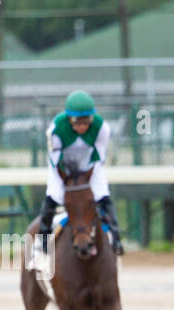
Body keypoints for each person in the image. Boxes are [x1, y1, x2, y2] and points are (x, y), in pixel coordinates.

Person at [32, 90, 124, 266]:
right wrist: (67, 176)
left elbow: (99, 157)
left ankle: (116, 237)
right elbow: (54, 158)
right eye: (77, 122)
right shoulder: (56, 129)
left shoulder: (102, 128)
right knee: (54, 196)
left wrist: (85, 176)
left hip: (88, 163)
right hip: (61, 165)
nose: (82, 126)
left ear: (91, 118)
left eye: (86, 122)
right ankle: (42, 241)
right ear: (69, 119)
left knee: (102, 194)